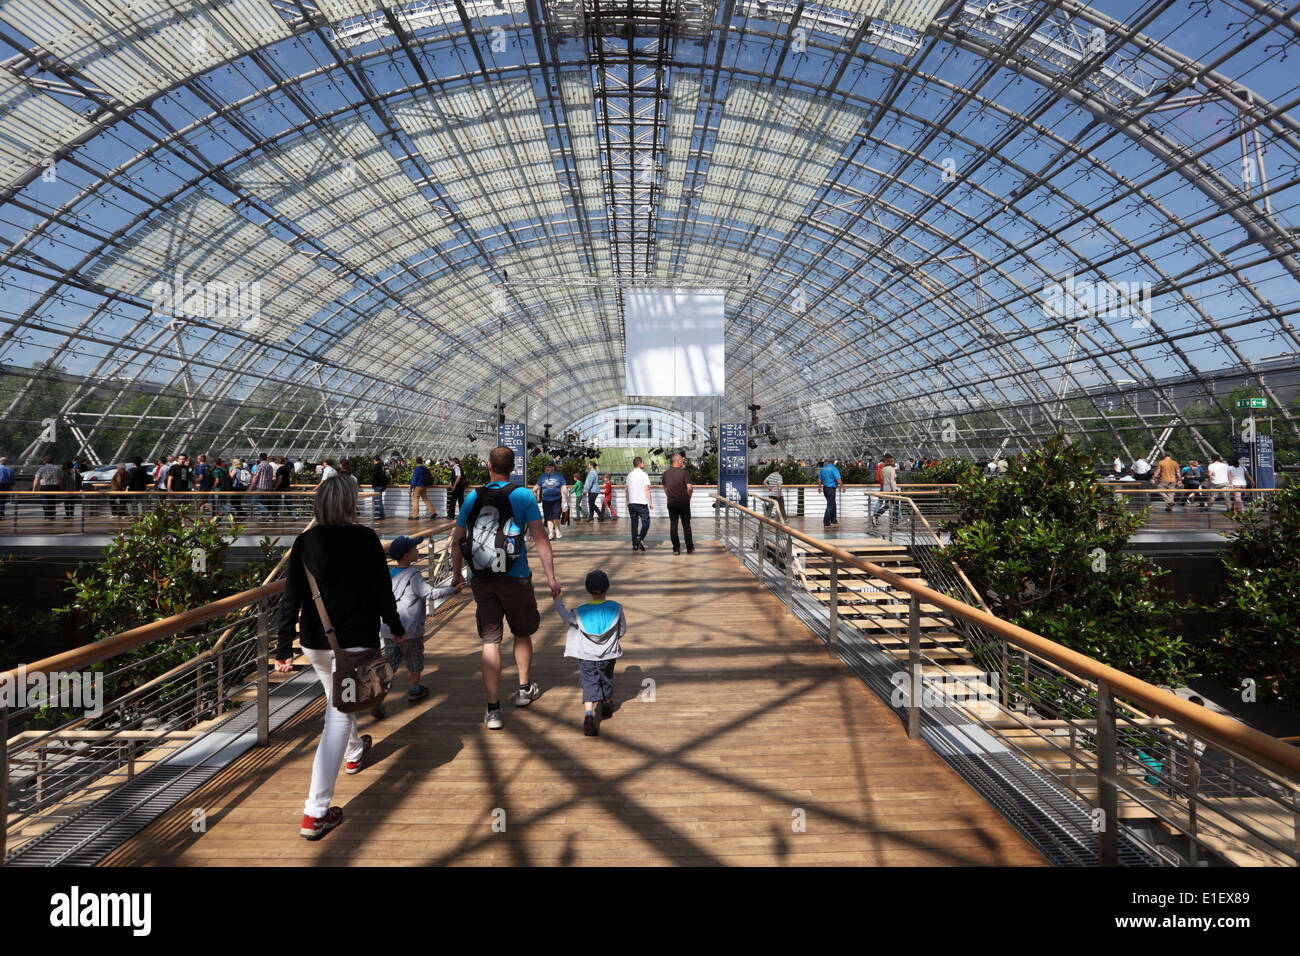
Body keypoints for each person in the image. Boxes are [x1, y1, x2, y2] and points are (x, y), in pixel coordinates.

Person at [274, 476, 406, 841]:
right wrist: (395, 626)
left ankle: (354, 751)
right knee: (336, 716)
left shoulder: (304, 543)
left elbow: (292, 599)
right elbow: (382, 591)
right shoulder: (364, 540)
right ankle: (315, 812)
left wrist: (283, 648)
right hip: (355, 645)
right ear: (350, 503)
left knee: (341, 703)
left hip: (317, 643)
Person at [450, 444, 562, 730]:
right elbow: (540, 538)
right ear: (513, 469)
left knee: (491, 640)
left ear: (489, 466)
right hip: (516, 574)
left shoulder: (473, 497)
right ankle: (524, 690)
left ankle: (493, 709)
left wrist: (456, 575)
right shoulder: (523, 495)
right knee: (522, 633)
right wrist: (551, 577)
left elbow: (457, 539)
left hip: (482, 577)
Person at [379, 535, 459, 707]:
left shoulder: (390, 574)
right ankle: (415, 689)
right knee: (415, 659)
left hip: (390, 630)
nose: (418, 551)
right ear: (407, 556)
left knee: (391, 663)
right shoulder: (414, 575)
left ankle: (380, 696)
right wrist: (452, 590)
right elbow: (430, 594)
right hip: (411, 630)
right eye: (415, 549)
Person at [554, 568, 626, 737]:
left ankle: (588, 714)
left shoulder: (581, 611)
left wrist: (557, 600)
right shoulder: (615, 608)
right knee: (606, 677)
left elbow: (565, 615)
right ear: (607, 588)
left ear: (587, 589)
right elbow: (622, 630)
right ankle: (607, 704)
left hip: (586, 655)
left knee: (588, 682)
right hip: (609, 654)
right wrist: (613, 639)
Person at [662, 452, 694, 555]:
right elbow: (689, 487)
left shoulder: (666, 473)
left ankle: (676, 549)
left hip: (672, 503)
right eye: (682, 460)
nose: (682, 461)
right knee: (686, 525)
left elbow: (665, 488)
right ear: (678, 461)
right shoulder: (684, 473)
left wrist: (670, 496)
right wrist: (689, 496)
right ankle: (689, 548)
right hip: (684, 502)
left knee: (673, 525)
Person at [533, 459, 566, 541]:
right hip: (546, 500)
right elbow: (537, 485)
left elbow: (563, 486)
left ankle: (557, 530)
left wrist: (564, 498)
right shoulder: (542, 476)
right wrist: (532, 491)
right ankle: (551, 532)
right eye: (546, 467)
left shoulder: (559, 475)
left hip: (557, 499)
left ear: (553, 468)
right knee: (548, 517)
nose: (547, 469)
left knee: (556, 515)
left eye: (549, 467)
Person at [625, 456, 652, 552]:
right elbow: (647, 489)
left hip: (632, 503)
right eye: (643, 462)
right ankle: (640, 538)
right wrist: (650, 502)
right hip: (641, 502)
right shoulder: (644, 475)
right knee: (646, 522)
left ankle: (635, 545)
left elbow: (627, 490)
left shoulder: (629, 475)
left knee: (634, 524)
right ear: (639, 464)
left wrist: (627, 501)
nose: (644, 464)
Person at [871, 454, 900, 526]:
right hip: (892, 489)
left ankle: (876, 515)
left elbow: (881, 478)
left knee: (887, 505)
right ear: (892, 462)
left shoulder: (883, 469)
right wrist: (894, 491)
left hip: (885, 489)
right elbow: (892, 481)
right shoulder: (891, 469)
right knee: (896, 505)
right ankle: (895, 522)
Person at [32, 455, 62, 520]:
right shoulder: (58, 468)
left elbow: (36, 479)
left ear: (45, 461)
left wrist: (34, 489)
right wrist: (60, 487)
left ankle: (47, 515)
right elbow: (60, 479)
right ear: (53, 461)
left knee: (45, 501)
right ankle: (52, 514)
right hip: (55, 487)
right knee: (52, 500)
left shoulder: (41, 469)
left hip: (45, 487)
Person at [250, 452, 277, 520]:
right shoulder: (269, 466)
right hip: (268, 488)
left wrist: (251, 487)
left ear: (260, 458)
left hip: (261, 487)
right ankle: (263, 519)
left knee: (255, 501)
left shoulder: (260, 466)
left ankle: (266, 512)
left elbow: (255, 477)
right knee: (264, 503)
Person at [818, 457, 842, 527]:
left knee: (832, 504)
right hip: (831, 488)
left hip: (825, 489)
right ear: (833, 462)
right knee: (830, 505)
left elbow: (819, 479)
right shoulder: (834, 469)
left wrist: (819, 487)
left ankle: (833, 519)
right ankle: (826, 522)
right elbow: (838, 479)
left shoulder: (823, 468)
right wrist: (842, 486)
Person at [371, 454, 388, 521]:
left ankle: (380, 515)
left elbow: (375, 476)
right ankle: (378, 514)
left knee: (378, 500)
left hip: (378, 485)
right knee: (377, 500)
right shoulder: (382, 466)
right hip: (382, 485)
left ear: (374, 460)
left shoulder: (377, 466)